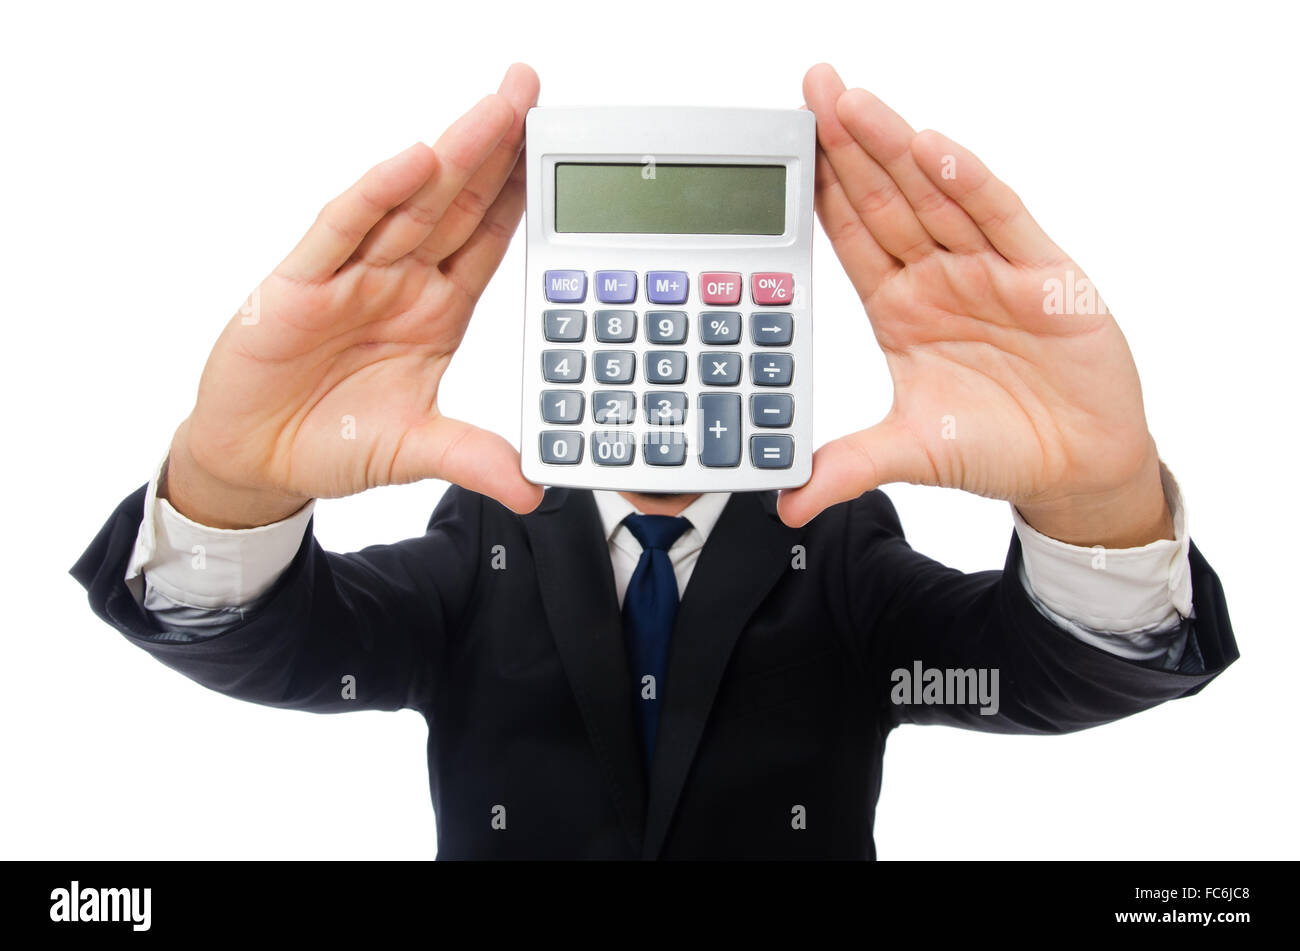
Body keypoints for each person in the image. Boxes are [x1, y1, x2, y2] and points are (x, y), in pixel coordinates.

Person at [72, 63, 1237, 860]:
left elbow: (1057, 676)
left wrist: (1095, 501)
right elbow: (293, 649)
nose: (666, 316)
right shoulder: (484, 535)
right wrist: (232, 483)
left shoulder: (833, 545)